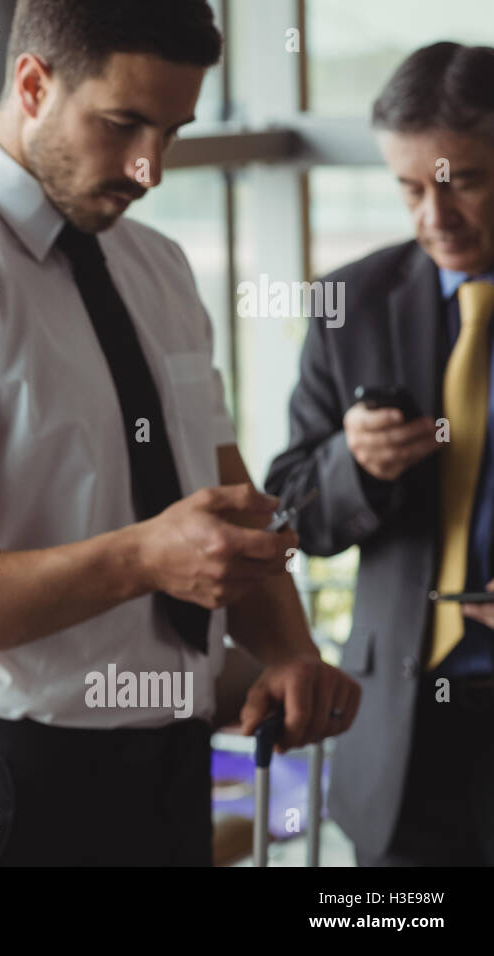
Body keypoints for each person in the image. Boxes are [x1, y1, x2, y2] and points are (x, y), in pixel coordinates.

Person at [0, 0, 360, 866]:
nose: (151, 168)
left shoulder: (157, 266)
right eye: (123, 123)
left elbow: (222, 497)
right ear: (32, 82)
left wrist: (289, 650)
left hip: (172, 772)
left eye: (173, 132)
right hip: (7, 793)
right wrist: (140, 559)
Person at [266, 42, 494, 866]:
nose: (434, 215)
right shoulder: (350, 305)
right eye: (409, 188)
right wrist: (354, 465)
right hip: (400, 731)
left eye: (461, 180)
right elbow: (287, 513)